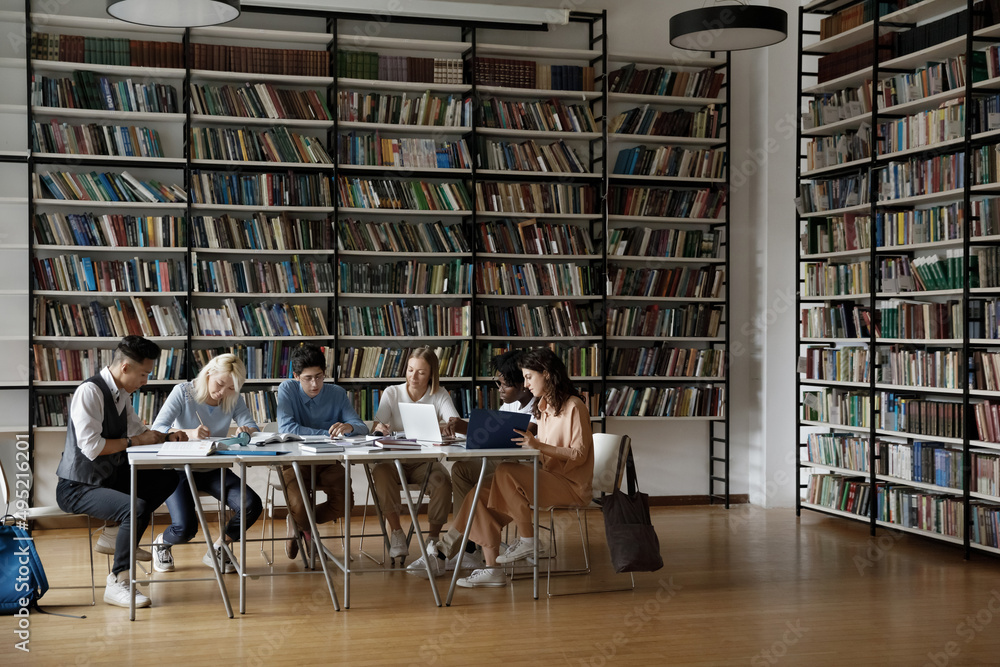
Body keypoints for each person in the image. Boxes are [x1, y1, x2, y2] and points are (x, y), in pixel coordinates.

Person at [431, 347, 594, 587]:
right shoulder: (543, 408)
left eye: (529, 377)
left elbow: (579, 455)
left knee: (505, 470)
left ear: (546, 374)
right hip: (546, 477)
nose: (526, 384)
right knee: (481, 494)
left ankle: (529, 540)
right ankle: (492, 570)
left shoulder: (575, 406)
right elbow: (539, 449)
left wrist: (538, 445)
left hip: (571, 486)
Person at [55, 335, 182, 608]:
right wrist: (135, 441)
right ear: (125, 367)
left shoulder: (122, 394)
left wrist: (169, 436)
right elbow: (91, 448)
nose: (146, 381)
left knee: (169, 476)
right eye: (144, 373)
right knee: (135, 509)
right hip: (78, 486)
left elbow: (139, 431)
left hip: (108, 478)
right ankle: (118, 581)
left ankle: (116, 536)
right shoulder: (90, 392)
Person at [407, 349, 540, 578]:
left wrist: (464, 428)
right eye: (497, 384)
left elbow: (514, 435)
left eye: (505, 385)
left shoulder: (537, 407)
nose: (500, 390)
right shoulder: (511, 404)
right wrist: (461, 430)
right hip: (504, 463)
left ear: (523, 385)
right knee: (460, 469)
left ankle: (451, 550)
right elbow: (495, 436)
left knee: (476, 492)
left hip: (521, 469)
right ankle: (468, 547)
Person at [150, 353, 262, 575]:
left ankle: (219, 547)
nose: (223, 393)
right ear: (209, 373)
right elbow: (157, 429)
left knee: (252, 504)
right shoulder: (183, 392)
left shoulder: (233, 398)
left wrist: (247, 430)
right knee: (185, 529)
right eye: (220, 384)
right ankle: (162, 542)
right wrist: (188, 433)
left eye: (231, 388)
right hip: (179, 470)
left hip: (213, 468)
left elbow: (252, 426)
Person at [277, 344, 368, 559]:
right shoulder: (287, 389)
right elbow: (287, 429)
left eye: (319, 376)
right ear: (296, 376)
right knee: (298, 503)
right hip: (294, 461)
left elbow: (362, 426)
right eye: (307, 378)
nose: (315, 384)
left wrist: (350, 427)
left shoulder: (336, 393)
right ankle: (309, 534)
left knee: (344, 504)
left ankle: (297, 522)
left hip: (327, 460)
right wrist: (328, 433)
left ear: (325, 373)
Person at [370, 347, 457, 561]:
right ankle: (397, 533)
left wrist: (449, 426)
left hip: (424, 463)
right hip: (392, 460)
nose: (413, 376)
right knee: (380, 474)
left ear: (431, 374)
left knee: (443, 482)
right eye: (410, 370)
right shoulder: (392, 392)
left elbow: (453, 421)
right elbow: (376, 425)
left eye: (420, 372)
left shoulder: (439, 394)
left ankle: (433, 539)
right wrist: (380, 429)